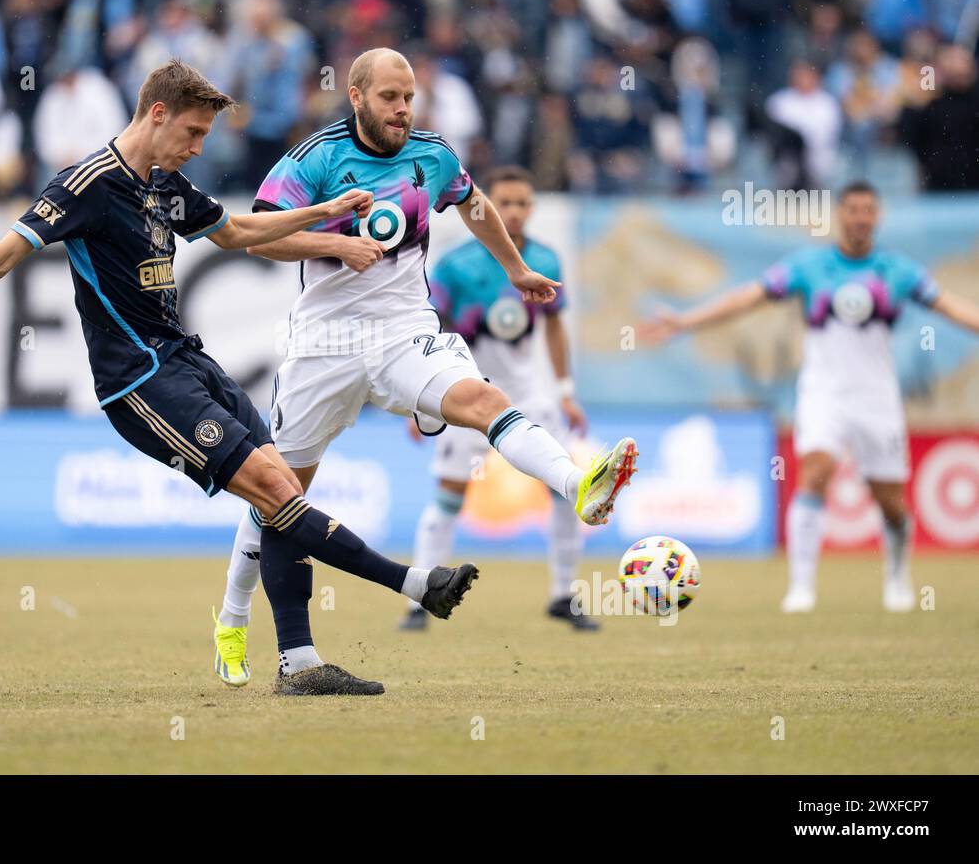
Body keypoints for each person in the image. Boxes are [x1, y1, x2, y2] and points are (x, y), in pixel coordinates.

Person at [0, 59, 477, 697]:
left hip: (187, 360)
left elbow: (236, 232)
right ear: (156, 114)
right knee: (273, 487)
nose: (198, 148)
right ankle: (415, 584)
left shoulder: (168, 184)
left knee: (279, 490)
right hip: (139, 380)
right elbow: (2, 256)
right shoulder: (87, 185)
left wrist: (324, 217)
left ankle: (298, 664)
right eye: (192, 132)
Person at [211, 49, 639, 687]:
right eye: (388, 97)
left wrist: (514, 268)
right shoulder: (314, 159)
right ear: (355, 96)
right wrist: (335, 242)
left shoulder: (431, 155)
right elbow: (255, 234)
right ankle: (232, 615)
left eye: (408, 97)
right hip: (323, 345)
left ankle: (575, 484)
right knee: (279, 497)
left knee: (483, 401)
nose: (402, 109)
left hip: (405, 331)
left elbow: (473, 203)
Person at [638, 182, 979, 612]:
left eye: (868, 210)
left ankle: (896, 576)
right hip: (823, 392)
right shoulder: (810, 266)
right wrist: (686, 320)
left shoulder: (898, 271)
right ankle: (801, 587)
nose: (860, 217)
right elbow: (749, 297)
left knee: (890, 501)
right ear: (840, 214)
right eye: (853, 209)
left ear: (877, 217)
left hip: (877, 397)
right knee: (814, 473)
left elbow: (950, 306)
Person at [403, 166, 596, 632]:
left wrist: (566, 392)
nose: (513, 211)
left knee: (565, 488)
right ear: (487, 205)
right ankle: (418, 599)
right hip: (467, 391)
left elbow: (553, 327)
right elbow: (430, 330)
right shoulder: (454, 264)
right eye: (504, 202)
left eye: (522, 203)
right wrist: (421, 399)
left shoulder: (545, 259)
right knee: (449, 494)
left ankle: (563, 595)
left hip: (530, 394)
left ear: (532, 208)